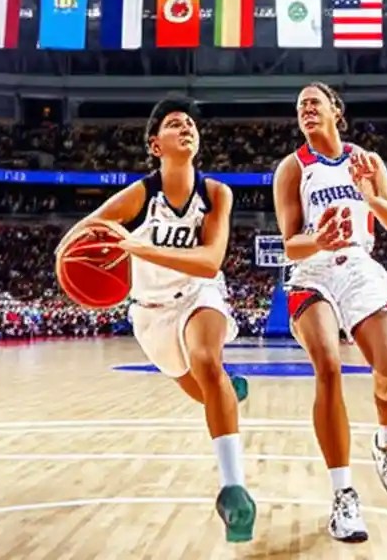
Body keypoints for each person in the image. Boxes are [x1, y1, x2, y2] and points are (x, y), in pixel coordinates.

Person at [56, 96, 256, 543]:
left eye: (189, 123)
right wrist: (80, 262)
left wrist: (138, 247)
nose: (185, 127)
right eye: (173, 123)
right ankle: (224, 389)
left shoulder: (216, 193)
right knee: (200, 387)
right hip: (150, 312)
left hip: (198, 293)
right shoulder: (140, 194)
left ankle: (234, 489)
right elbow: (75, 238)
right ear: (154, 144)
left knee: (206, 359)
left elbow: (209, 262)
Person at [270, 82, 387, 543]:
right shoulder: (291, 168)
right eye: (300, 106)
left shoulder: (367, 161)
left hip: (359, 267)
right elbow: (290, 243)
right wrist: (320, 241)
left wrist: (369, 194)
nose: (306, 109)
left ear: (336, 110)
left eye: (314, 102)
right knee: (327, 365)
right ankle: (344, 495)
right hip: (312, 270)